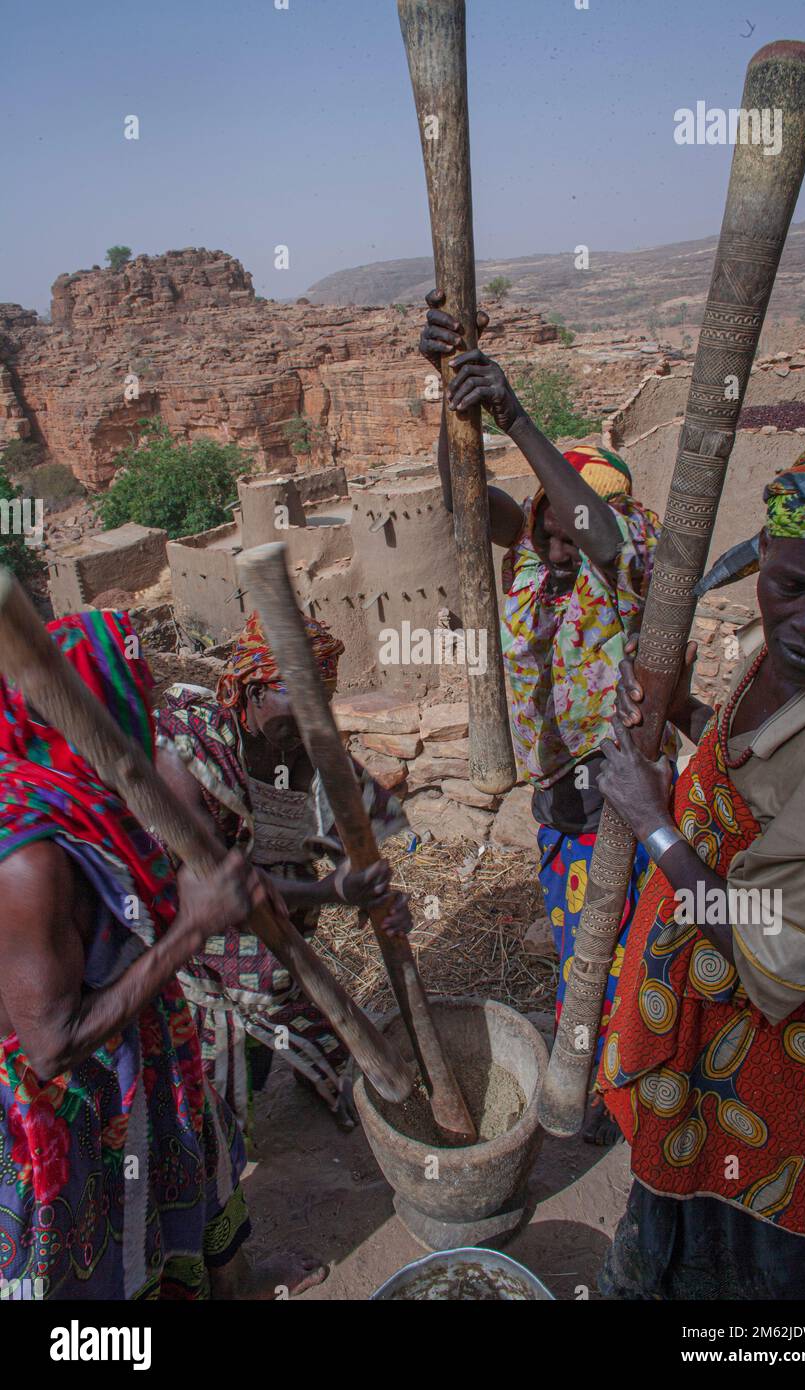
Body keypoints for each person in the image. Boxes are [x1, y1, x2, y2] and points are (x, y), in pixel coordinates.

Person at [595, 436, 805, 1299]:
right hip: (708, 1051)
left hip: (787, 1076)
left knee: (761, 1296)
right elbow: (771, 782)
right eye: (793, 587)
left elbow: (782, 955)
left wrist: (654, 827)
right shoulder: (782, 666)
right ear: (763, 561)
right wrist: (685, 713)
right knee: (677, 1241)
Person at [0, 610, 315, 1299]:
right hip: (70, 1105)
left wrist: (341, 887)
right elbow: (52, 1044)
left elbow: (204, 884)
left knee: (199, 1181)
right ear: (90, 712)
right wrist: (191, 933)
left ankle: (236, 1284)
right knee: (104, 1267)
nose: (151, 720)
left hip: (149, 1045)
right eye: (134, 703)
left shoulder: (96, 799)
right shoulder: (28, 860)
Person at [421, 290, 670, 1142]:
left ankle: (633, 1098)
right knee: (579, 951)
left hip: (621, 799)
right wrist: (448, 390)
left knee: (628, 953)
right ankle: (589, 1089)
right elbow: (465, 497)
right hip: (559, 800)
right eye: (549, 534)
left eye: (569, 535)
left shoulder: (622, 566)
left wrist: (517, 414)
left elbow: (597, 529)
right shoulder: (536, 554)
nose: (560, 550)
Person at [155, 611, 411, 1133]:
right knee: (259, 998)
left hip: (283, 907)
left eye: (319, 702)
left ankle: (298, 1070)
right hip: (195, 925)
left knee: (285, 998)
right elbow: (216, 887)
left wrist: (376, 890)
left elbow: (357, 838)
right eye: (294, 698)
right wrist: (331, 891)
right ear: (251, 689)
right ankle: (228, 1113)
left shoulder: (308, 742)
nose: (310, 718)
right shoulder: (188, 749)